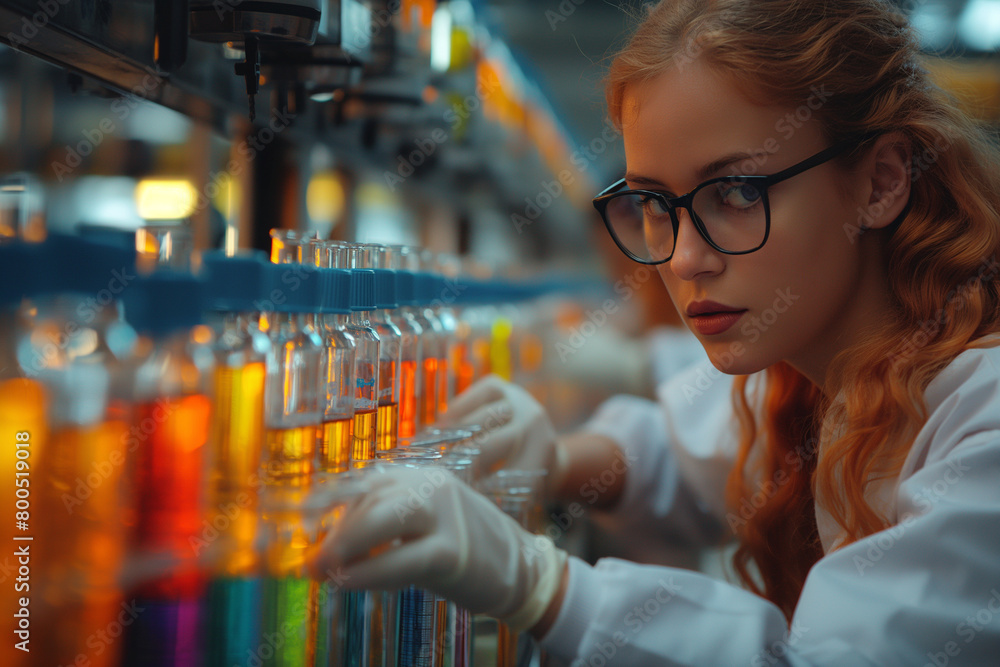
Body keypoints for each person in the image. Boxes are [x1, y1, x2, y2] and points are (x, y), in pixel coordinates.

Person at [311, 1, 1000, 663]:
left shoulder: (984, 425)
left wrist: (545, 587)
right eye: (652, 204)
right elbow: (695, 457)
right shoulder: (821, 371)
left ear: (880, 181)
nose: (681, 257)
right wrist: (553, 457)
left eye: (737, 193)